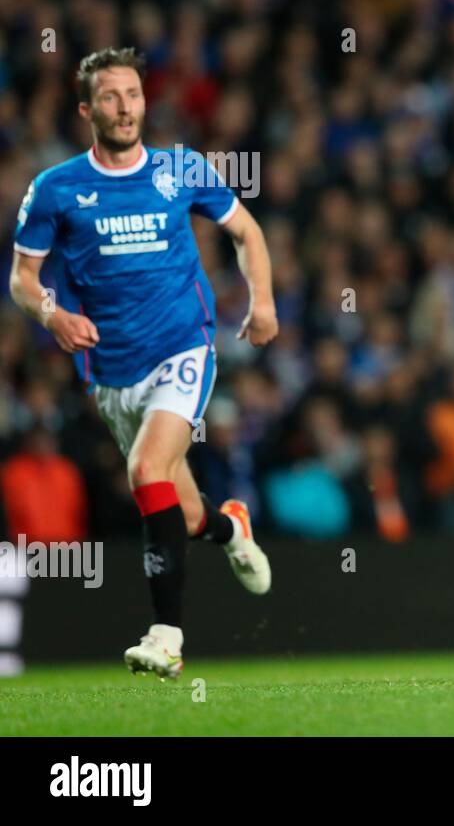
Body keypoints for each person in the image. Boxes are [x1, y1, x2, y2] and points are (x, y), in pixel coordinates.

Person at [8, 47, 278, 679]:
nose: (125, 107)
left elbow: (248, 232)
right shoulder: (56, 189)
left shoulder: (180, 169)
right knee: (179, 511)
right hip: (111, 373)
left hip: (183, 348)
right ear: (87, 109)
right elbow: (23, 278)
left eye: (133, 94)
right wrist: (51, 315)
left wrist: (262, 301)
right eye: (109, 97)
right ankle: (228, 526)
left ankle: (166, 636)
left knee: (145, 468)